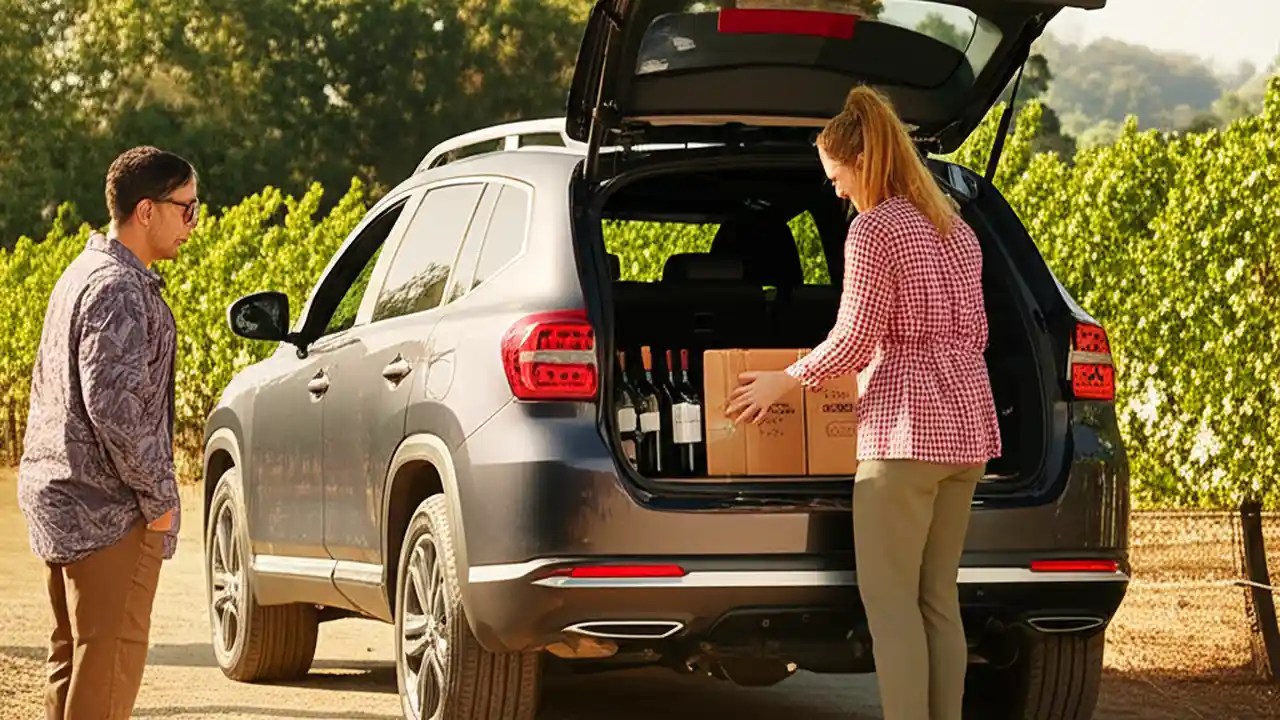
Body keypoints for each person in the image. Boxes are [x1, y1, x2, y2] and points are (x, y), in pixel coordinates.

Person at [725, 86, 1001, 720]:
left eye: (837, 176)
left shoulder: (874, 230)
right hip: (969, 429)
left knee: (891, 602)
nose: (837, 191)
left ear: (862, 162)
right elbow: (979, 334)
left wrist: (781, 381)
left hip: (905, 434)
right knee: (938, 599)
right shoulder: (956, 229)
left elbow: (854, 338)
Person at [17, 146, 199, 719]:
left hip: (63, 496)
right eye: (186, 208)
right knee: (110, 669)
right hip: (107, 510)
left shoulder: (83, 272)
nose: (194, 222)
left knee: (74, 662)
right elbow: (114, 411)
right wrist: (161, 499)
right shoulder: (117, 287)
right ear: (146, 210)